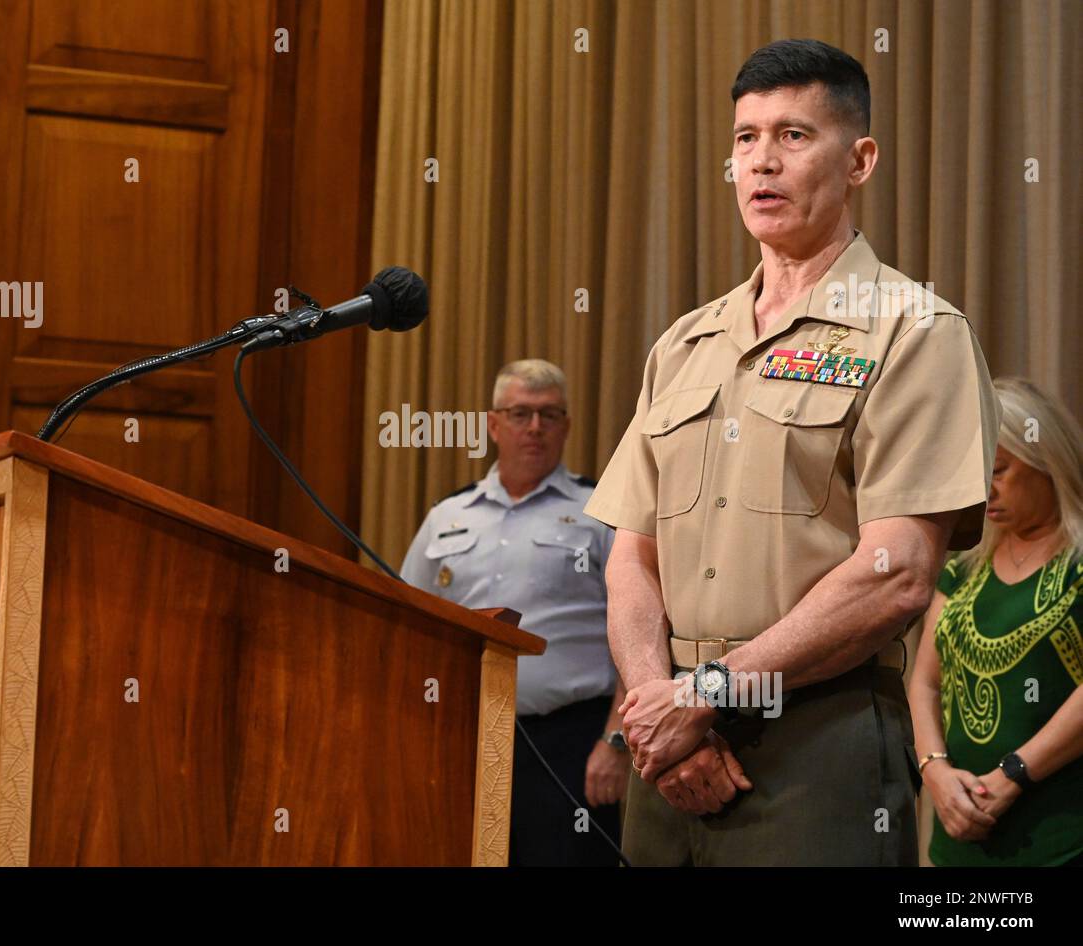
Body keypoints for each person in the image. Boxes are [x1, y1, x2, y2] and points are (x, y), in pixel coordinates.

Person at [584, 38, 1000, 865]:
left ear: (860, 160)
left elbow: (899, 574)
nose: (761, 162)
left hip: (817, 744)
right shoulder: (684, 343)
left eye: (794, 136)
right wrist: (658, 716)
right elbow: (632, 557)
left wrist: (706, 697)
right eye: (746, 138)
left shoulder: (917, 332)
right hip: (666, 752)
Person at [401, 359, 626, 865]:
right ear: (493, 424)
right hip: (463, 737)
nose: (535, 428)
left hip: (569, 744)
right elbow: (407, 623)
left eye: (550, 415)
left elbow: (637, 635)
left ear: (566, 426)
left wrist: (616, 742)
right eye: (521, 413)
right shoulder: (448, 515)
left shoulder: (601, 513)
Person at [909, 377, 1083, 866]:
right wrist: (935, 772)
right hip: (959, 834)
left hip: (1061, 836)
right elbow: (924, 683)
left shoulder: (1077, 563)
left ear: (1047, 459)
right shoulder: (961, 568)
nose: (984, 488)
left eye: (1000, 470)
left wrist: (1014, 775)